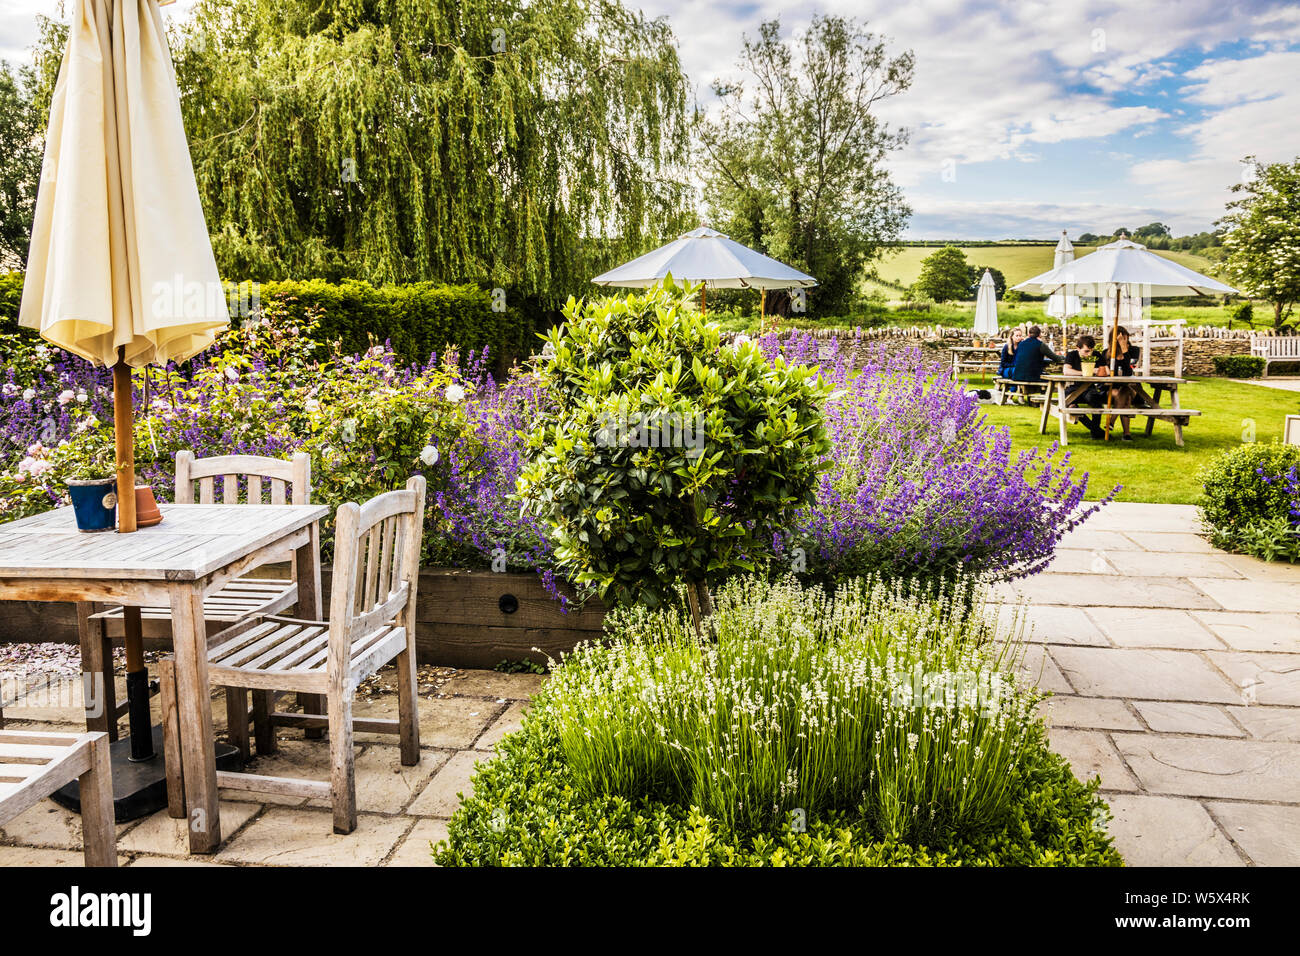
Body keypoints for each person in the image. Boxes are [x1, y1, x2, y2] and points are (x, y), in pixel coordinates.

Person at [1062, 335, 1107, 440]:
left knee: (1096, 403)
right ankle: (1096, 431)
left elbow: (1107, 371)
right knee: (1071, 405)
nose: (1089, 354)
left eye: (1091, 351)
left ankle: (1095, 432)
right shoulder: (1072, 355)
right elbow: (1066, 371)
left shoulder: (1096, 355)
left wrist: (1099, 371)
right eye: (1086, 351)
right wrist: (1086, 373)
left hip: (1089, 388)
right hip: (1073, 388)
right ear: (1078, 348)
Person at [1097, 326, 1137, 441]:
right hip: (1111, 388)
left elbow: (1129, 371)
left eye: (1125, 338)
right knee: (1125, 398)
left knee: (1125, 391)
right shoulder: (1106, 353)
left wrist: (1124, 349)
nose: (1124, 341)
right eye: (1121, 339)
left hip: (1130, 387)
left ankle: (1111, 421)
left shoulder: (1133, 351)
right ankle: (1127, 434)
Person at [998, 328, 1024, 400]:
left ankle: (1015, 396)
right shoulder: (1007, 347)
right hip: (1006, 369)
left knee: (1018, 373)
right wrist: (1014, 365)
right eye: (1017, 335)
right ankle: (1010, 397)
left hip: (1016, 370)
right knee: (1017, 373)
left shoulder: (1021, 346)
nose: (1019, 337)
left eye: (1020, 335)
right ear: (1012, 336)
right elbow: (1003, 363)